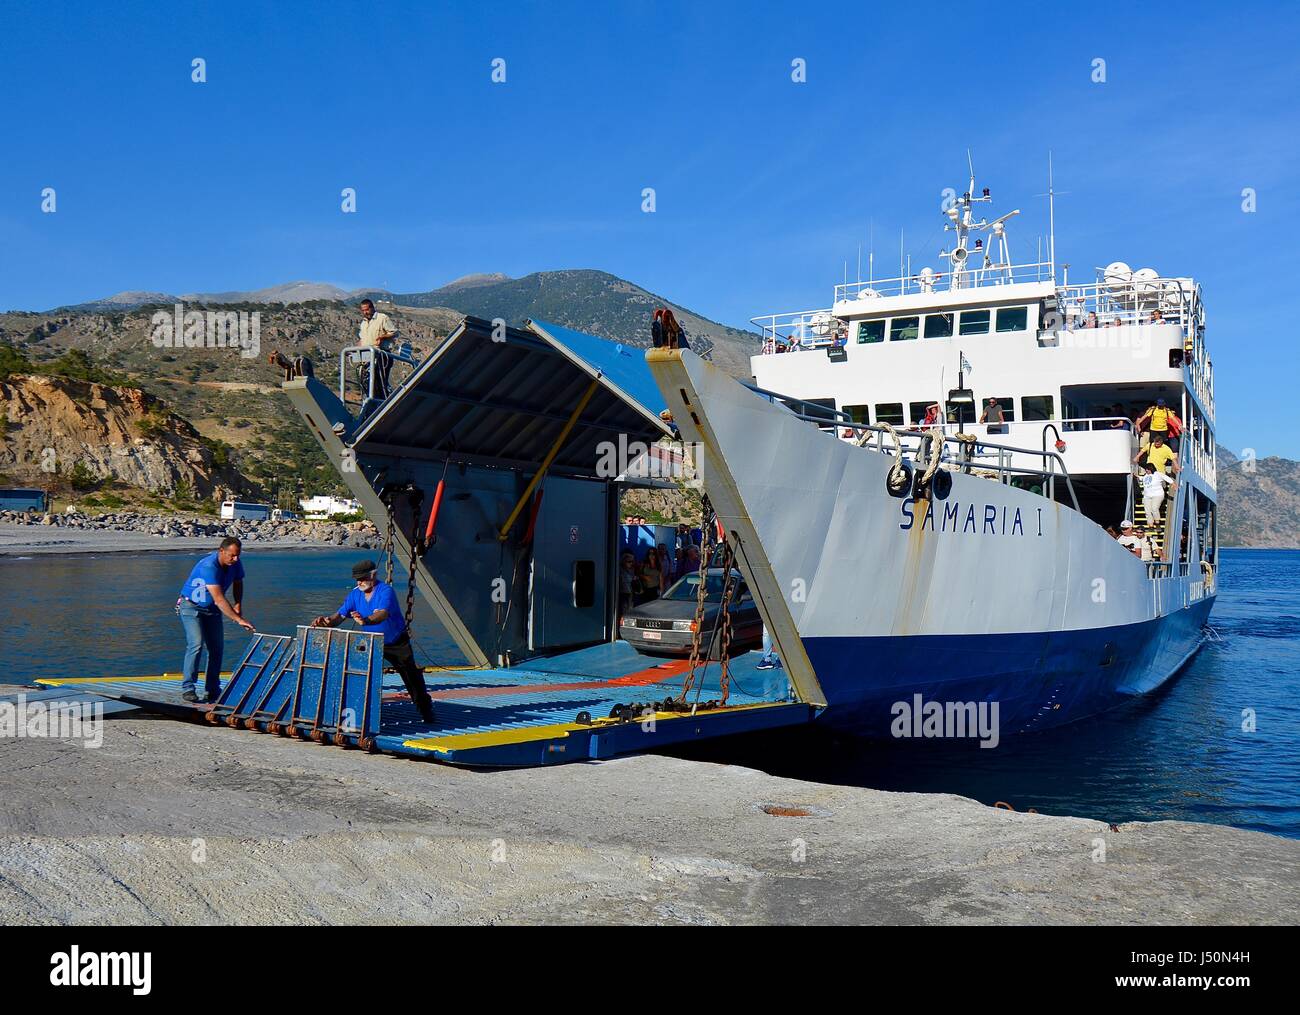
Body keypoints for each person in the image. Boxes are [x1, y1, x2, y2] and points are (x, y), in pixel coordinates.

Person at [310, 559, 434, 724]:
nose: (359, 582)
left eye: (362, 578)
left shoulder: (385, 591)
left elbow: (382, 614)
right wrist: (326, 621)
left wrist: (366, 621)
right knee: (361, 674)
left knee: (411, 677)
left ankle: (425, 710)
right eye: (357, 579)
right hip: (372, 642)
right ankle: (359, 714)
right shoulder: (355, 594)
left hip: (396, 642)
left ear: (373, 575)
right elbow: (338, 616)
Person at [176, 537, 255, 703]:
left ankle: (212, 689)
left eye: (238, 555)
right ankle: (188, 688)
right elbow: (219, 599)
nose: (236, 559)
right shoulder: (208, 566)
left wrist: (238, 604)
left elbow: (238, 582)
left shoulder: (235, 563)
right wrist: (238, 619)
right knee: (196, 644)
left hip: (212, 609)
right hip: (191, 607)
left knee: (217, 648)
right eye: (232, 555)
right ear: (221, 551)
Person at [356, 298, 399, 405]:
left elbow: (394, 332)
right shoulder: (363, 323)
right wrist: (355, 350)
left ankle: (383, 404)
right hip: (368, 356)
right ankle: (372, 404)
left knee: (378, 382)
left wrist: (382, 337)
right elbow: (362, 339)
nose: (365, 312)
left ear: (372, 308)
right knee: (366, 382)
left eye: (367, 309)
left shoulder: (382, 318)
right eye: (363, 310)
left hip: (382, 355)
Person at [1135, 462, 1174, 529]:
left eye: (1147, 469)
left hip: (1157, 495)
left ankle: (1157, 522)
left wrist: (1173, 483)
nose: (1146, 470)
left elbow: (1166, 478)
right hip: (1147, 496)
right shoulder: (1145, 476)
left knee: (1154, 508)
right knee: (1147, 511)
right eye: (1145, 469)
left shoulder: (1157, 474)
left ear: (1151, 469)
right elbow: (1142, 479)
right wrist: (1137, 476)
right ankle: (1151, 525)